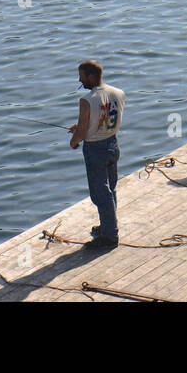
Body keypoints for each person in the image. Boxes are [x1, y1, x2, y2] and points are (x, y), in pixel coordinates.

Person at [68, 60, 125, 249]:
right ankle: (108, 226)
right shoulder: (118, 93)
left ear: (91, 76)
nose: (80, 80)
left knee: (100, 193)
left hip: (95, 149)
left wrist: (74, 141)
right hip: (112, 143)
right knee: (111, 189)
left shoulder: (86, 100)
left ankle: (110, 236)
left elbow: (83, 131)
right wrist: (82, 128)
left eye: (82, 76)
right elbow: (106, 117)